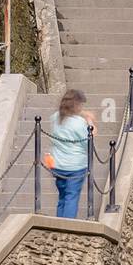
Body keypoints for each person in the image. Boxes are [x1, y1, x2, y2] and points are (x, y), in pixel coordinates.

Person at [47, 89, 94, 218]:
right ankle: (67, 226)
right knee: (71, 197)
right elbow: (88, 142)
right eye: (81, 105)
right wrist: (90, 122)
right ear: (77, 105)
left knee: (62, 197)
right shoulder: (79, 123)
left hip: (58, 165)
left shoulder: (55, 118)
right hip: (76, 167)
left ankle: (59, 223)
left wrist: (82, 114)